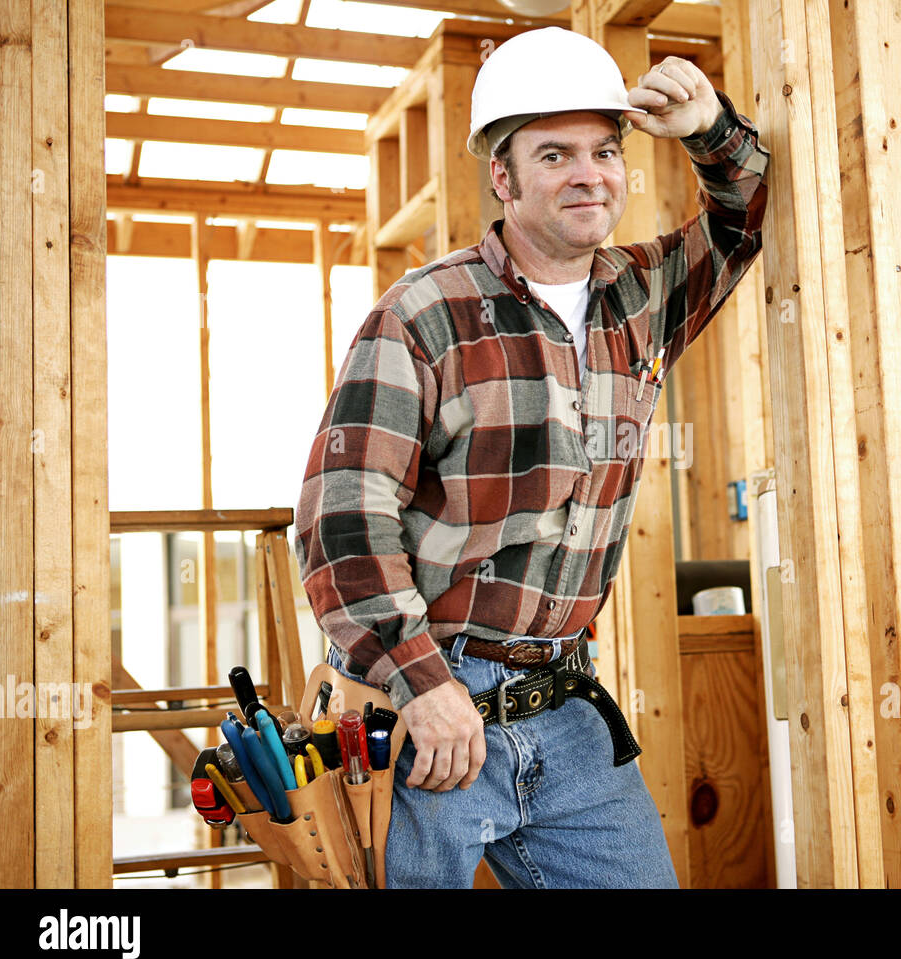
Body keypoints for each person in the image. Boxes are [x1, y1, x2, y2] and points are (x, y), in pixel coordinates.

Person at [293, 25, 769, 888]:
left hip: (568, 704)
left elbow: (743, 222)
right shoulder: (424, 314)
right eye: (555, 154)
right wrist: (421, 683)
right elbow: (341, 523)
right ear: (503, 177)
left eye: (604, 150)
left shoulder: (640, 297)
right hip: (428, 711)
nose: (589, 173)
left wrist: (710, 130)